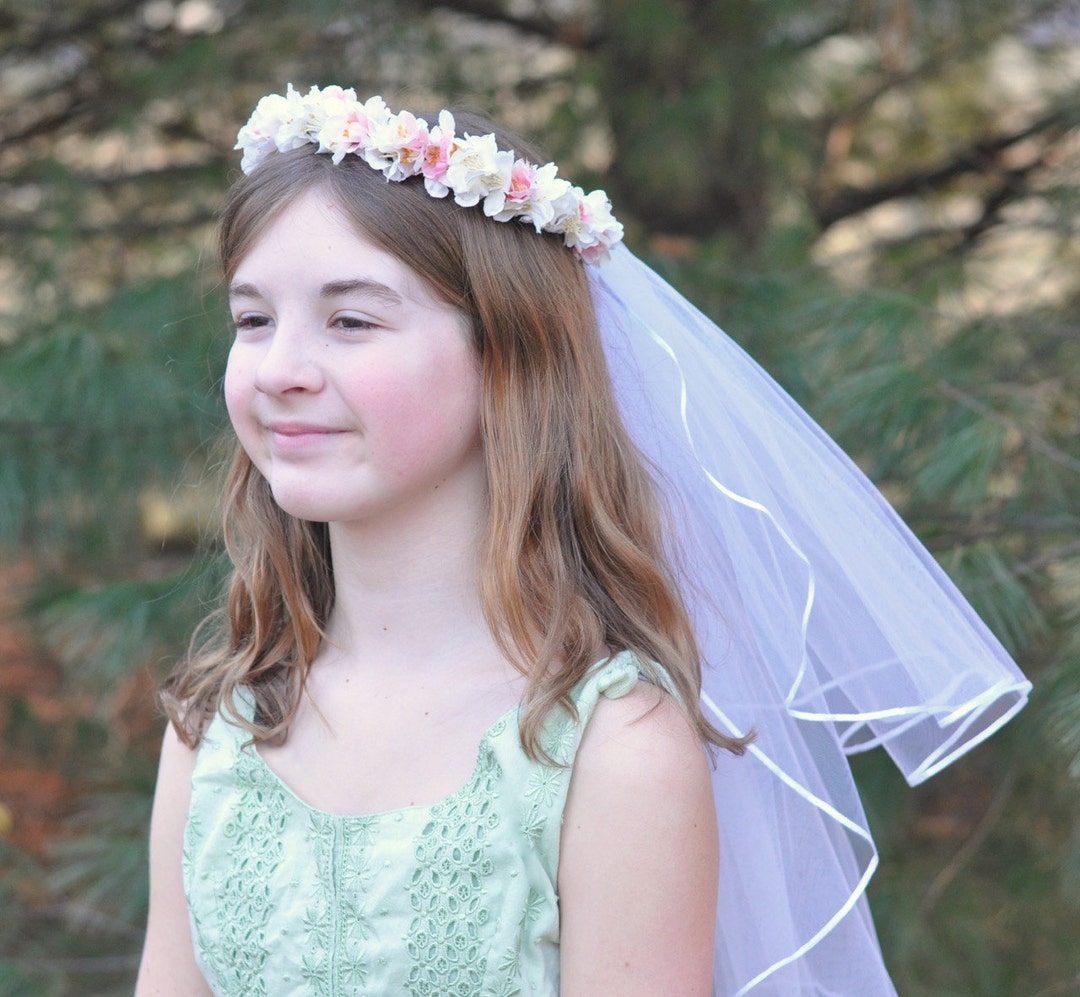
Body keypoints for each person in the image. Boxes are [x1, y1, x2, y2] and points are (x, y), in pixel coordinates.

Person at [136, 85, 1030, 996]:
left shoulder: (607, 742)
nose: (281, 369)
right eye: (253, 319)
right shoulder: (222, 724)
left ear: (508, 358)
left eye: (351, 320)